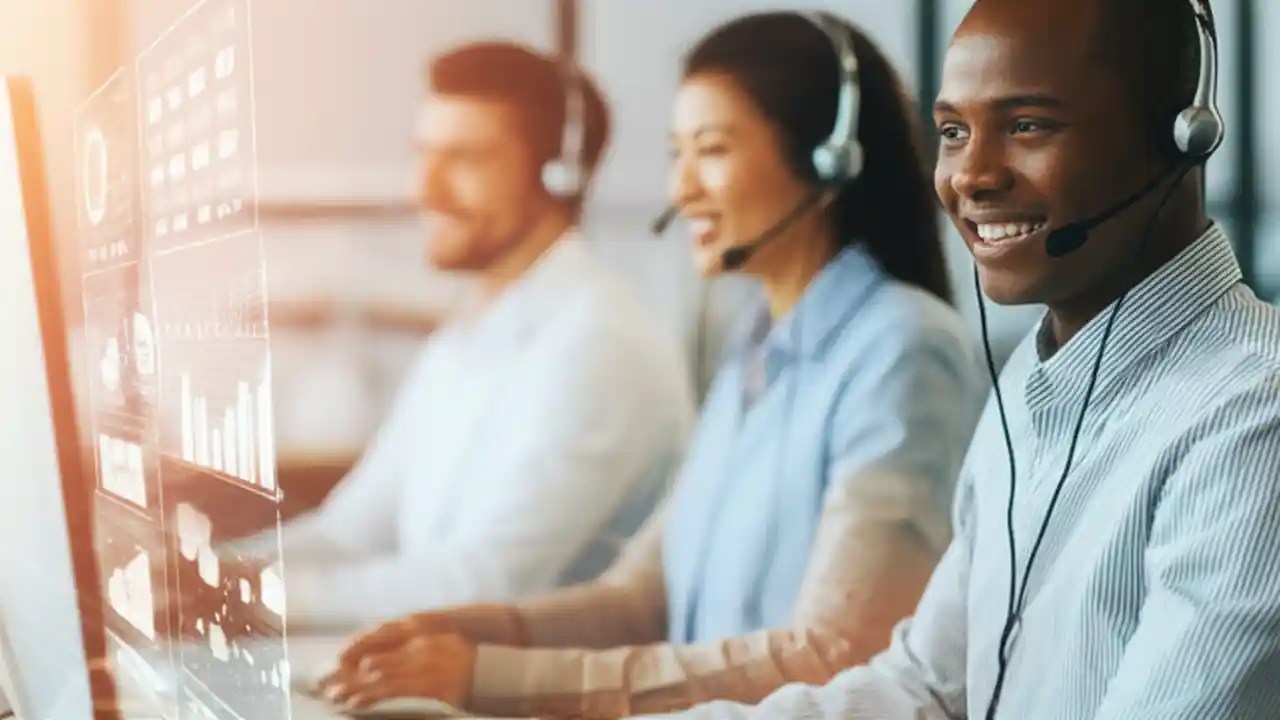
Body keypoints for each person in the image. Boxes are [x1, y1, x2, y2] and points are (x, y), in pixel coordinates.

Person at [317, 12, 985, 717]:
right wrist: (469, 630)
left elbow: (836, 654)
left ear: (828, 160)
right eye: (677, 154)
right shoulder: (753, 352)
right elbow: (640, 598)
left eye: (713, 149)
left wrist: (489, 677)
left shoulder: (904, 351)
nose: (682, 188)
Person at [644, 0, 1280, 718]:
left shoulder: (1254, 411)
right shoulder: (1029, 390)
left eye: (1027, 125)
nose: (971, 176)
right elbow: (924, 687)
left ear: (1181, 136)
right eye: (952, 132)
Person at [254, 42, 696, 629]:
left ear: (558, 172)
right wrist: (202, 573)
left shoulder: (600, 347)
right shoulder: (468, 337)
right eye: (424, 156)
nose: (424, 191)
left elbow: (484, 585)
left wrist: (253, 599)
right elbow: (352, 532)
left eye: (463, 159)